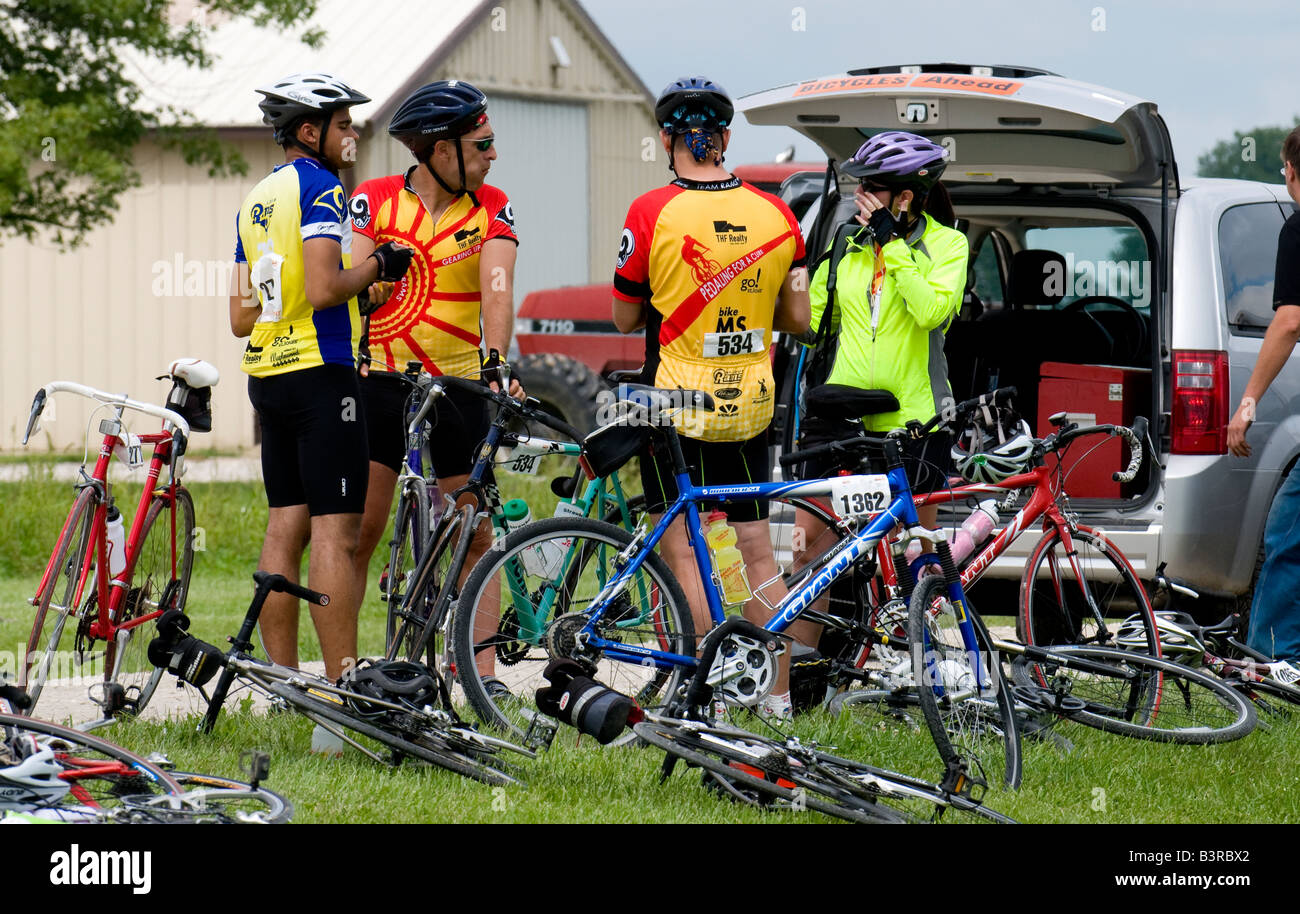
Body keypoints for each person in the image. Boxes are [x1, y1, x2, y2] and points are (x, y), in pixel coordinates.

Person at [611, 76, 811, 718]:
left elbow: (621, 319)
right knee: (756, 547)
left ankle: (712, 696)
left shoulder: (650, 211)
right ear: (724, 139)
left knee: (685, 545)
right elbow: (800, 319)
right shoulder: (777, 213)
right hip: (751, 402)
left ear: (669, 141)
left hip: (677, 405)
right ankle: (776, 695)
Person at [228, 72, 414, 693]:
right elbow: (325, 286)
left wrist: (358, 290)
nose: (353, 131)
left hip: (268, 376)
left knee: (285, 526)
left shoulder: (255, 199)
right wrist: (379, 264)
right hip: (321, 377)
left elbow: (240, 316)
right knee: (336, 533)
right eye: (343, 123)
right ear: (310, 132)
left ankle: (282, 682)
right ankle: (342, 690)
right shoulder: (323, 187)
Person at [347, 80, 521, 659]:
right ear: (441, 150)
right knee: (358, 536)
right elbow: (352, 280)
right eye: (483, 144)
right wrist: (370, 289)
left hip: (458, 388)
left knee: (476, 537)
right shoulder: (374, 198)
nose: (493, 155)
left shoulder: (491, 206)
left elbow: (497, 285)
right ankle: (343, 672)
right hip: (382, 387)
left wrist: (495, 361)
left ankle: (484, 676)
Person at [1227, 125, 1300, 673]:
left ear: (1294, 172)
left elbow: (1289, 320)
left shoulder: (1298, 230)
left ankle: (1273, 662)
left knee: (1288, 536)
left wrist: (1247, 403)